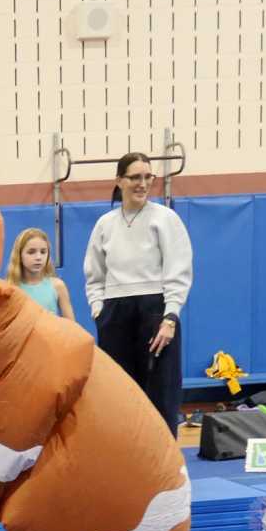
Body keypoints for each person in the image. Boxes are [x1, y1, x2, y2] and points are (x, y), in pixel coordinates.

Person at [83, 152, 193, 433]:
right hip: (115, 315)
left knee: (161, 393)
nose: (142, 183)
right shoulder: (105, 224)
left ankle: (166, 468)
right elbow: (94, 275)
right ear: (120, 181)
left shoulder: (166, 219)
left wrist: (170, 318)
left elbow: (179, 273)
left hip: (156, 313)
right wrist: (99, 311)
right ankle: (128, 467)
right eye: (135, 177)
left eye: (148, 177)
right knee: (119, 395)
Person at [6, 227, 74, 320]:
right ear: (19, 255)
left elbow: (72, 326)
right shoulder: (11, 288)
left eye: (43, 252)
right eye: (31, 252)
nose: (38, 257)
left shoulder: (57, 286)